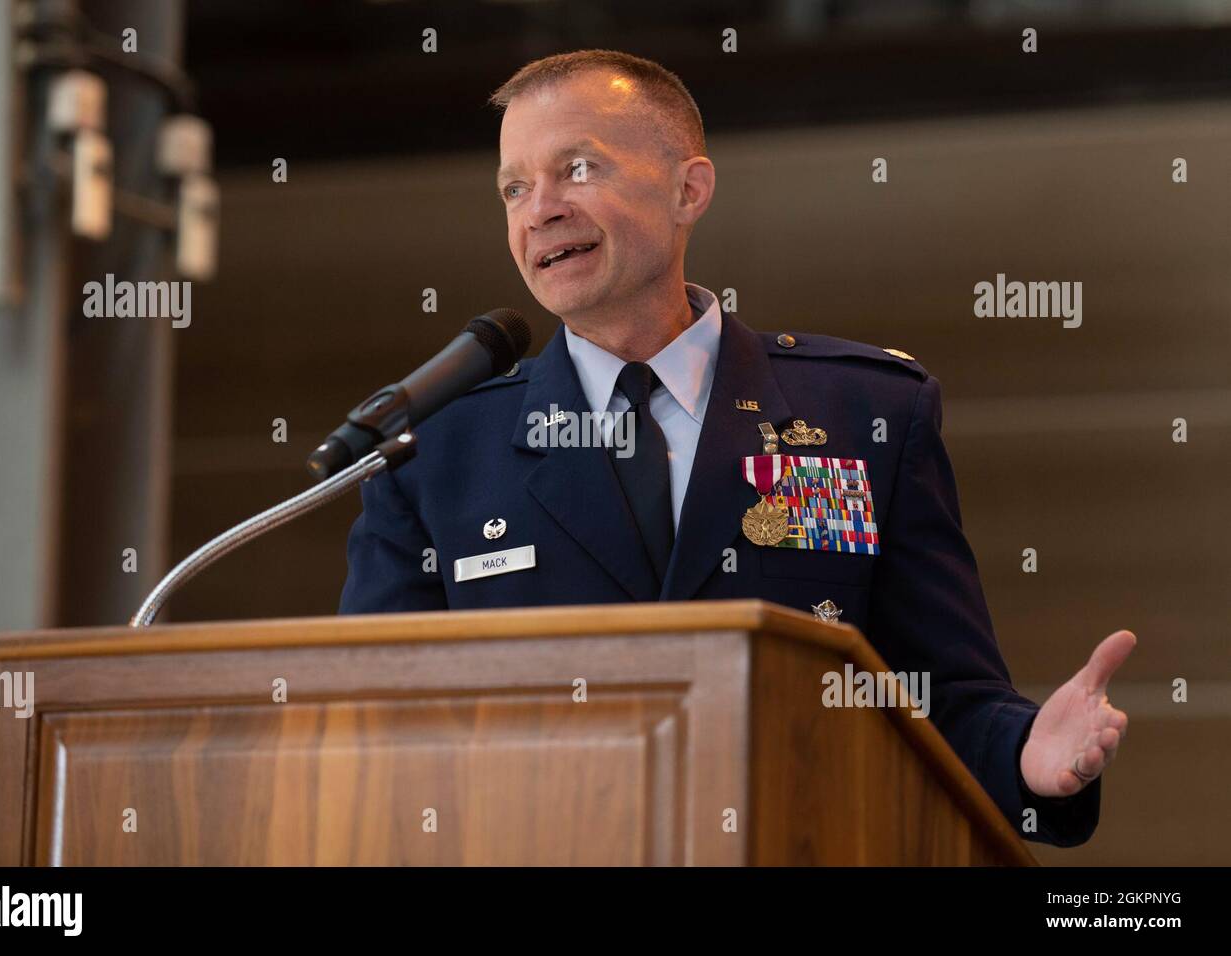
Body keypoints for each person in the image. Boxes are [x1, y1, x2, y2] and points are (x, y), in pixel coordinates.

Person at [339, 49, 1132, 847]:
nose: (538, 210)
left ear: (689, 190)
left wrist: (1028, 757)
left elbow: (939, 700)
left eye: (577, 169)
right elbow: (375, 730)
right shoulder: (435, 451)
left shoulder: (865, 413)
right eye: (514, 188)